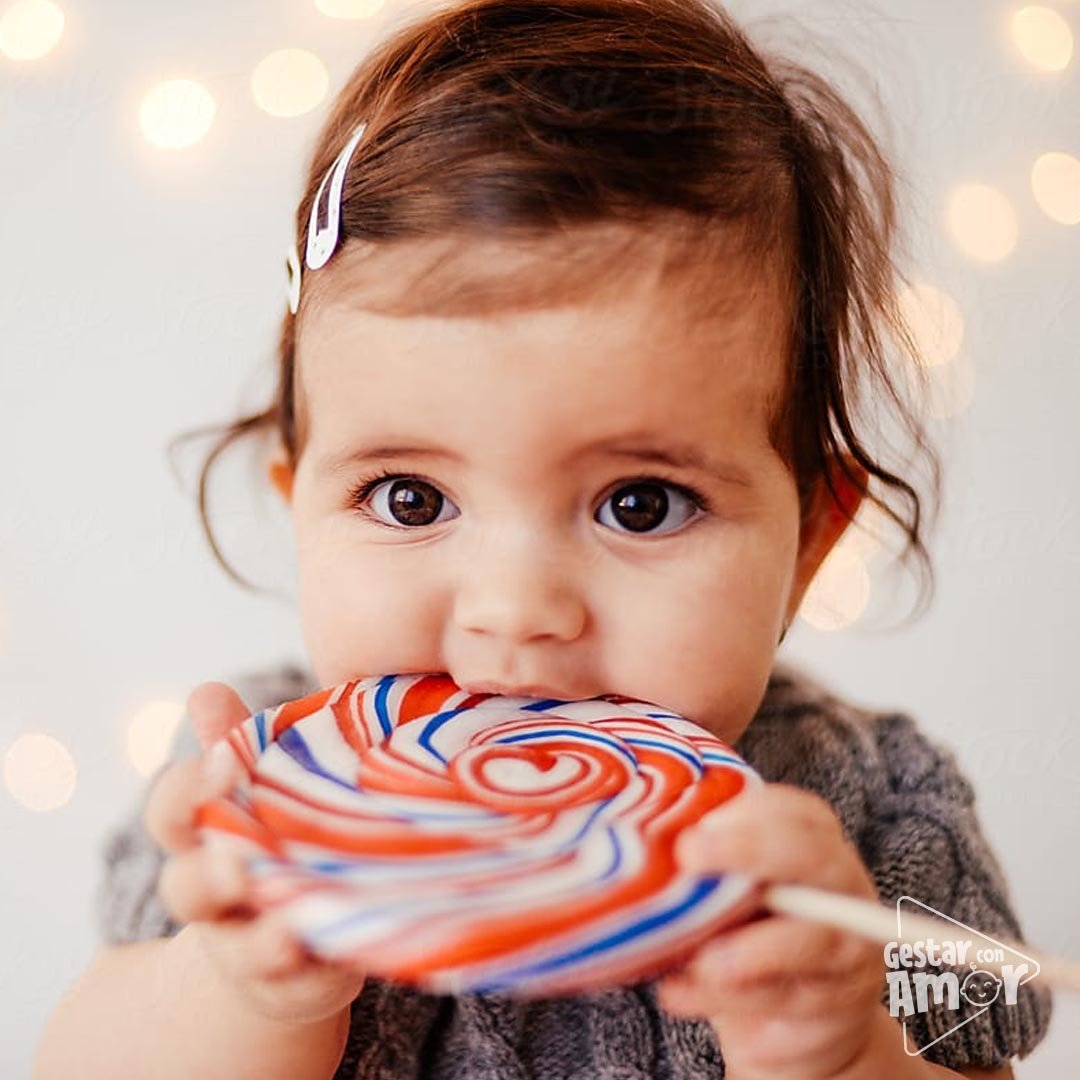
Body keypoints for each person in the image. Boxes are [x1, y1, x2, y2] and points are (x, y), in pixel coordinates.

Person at [34, 0, 1053, 1077]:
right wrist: (236, 986)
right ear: (298, 505)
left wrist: (845, 1050)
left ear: (811, 540)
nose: (514, 610)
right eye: (411, 500)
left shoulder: (878, 816)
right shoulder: (263, 789)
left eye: (641, 504)